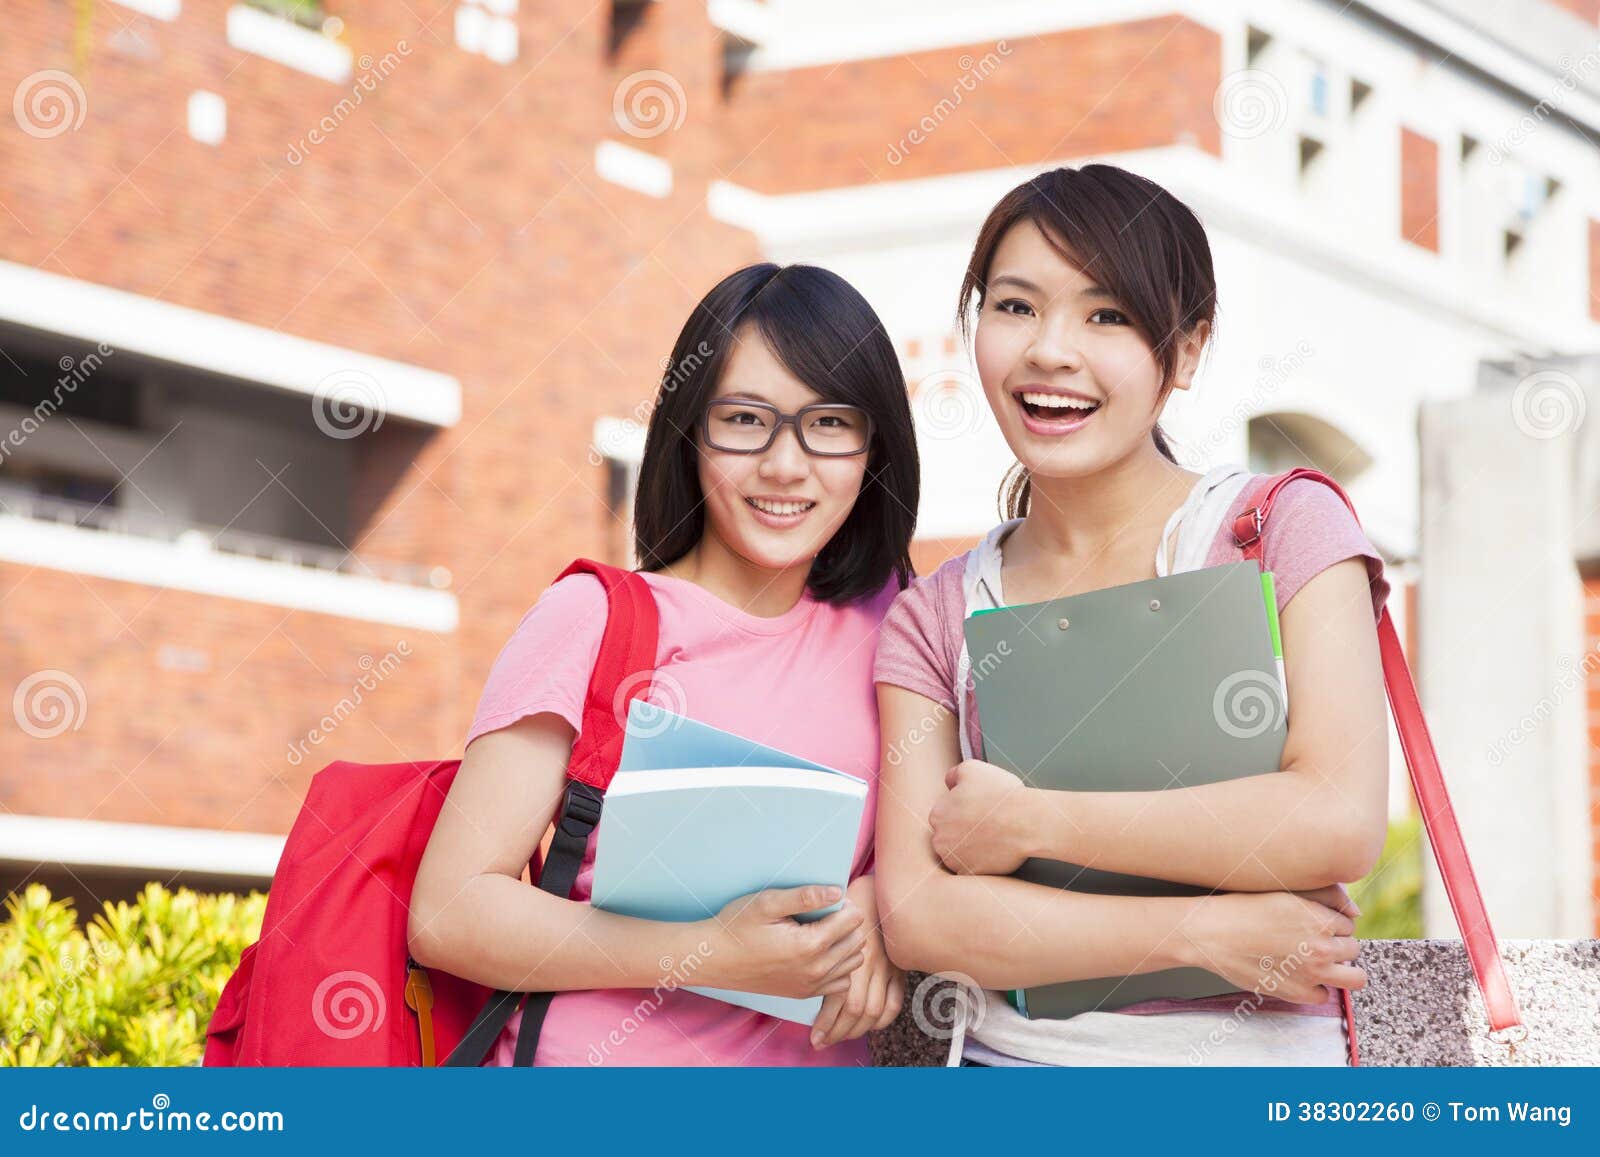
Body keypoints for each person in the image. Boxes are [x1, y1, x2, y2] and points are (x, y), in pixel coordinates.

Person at [874, 164, 1391, 1066]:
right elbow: (921, 914)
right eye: (1016, 306)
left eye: (1106, 315)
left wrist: (1031, 823)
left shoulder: (1278, 528)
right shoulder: (937, 613)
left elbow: (1337, 816)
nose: (1050, 351)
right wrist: (1197, 932)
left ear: (1186, 351)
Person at [410, 262, 920, 1065]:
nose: (785, 466)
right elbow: (449, 910)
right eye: (746, 420)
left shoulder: (901, 624)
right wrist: (710, 950)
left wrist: (884, 913)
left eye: (828, 424)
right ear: (689, 432)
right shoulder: (597, 618)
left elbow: (943, 843)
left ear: (874, 447)